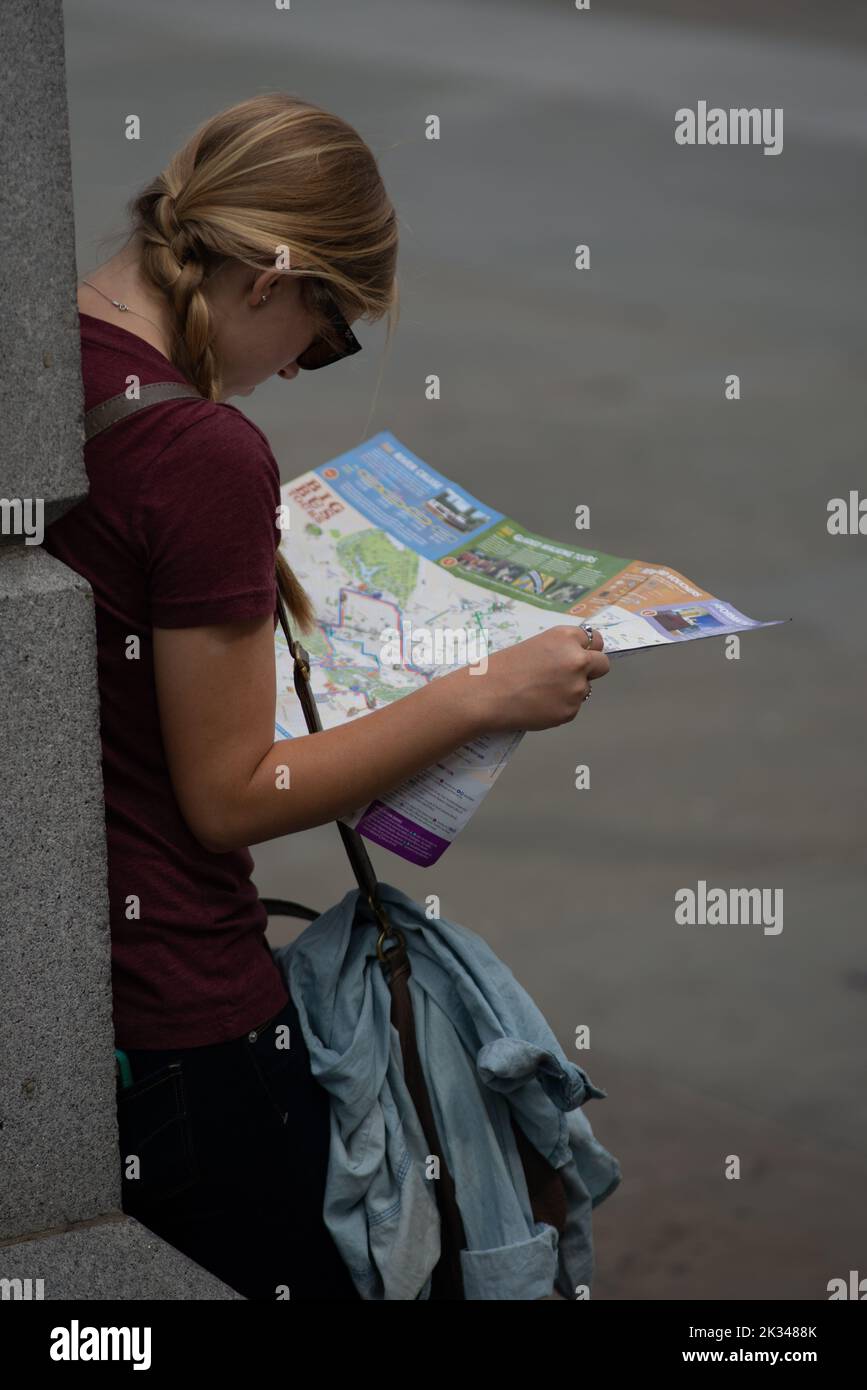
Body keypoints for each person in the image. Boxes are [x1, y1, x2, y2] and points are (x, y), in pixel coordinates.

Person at [43, 92, 610, 1301]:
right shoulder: (197, 451)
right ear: (271, 279)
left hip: (62, 977)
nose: (307, 363)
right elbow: (232, 797)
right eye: (327, 325)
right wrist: (486, 690)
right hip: (184, 1017)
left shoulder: (43, 351)